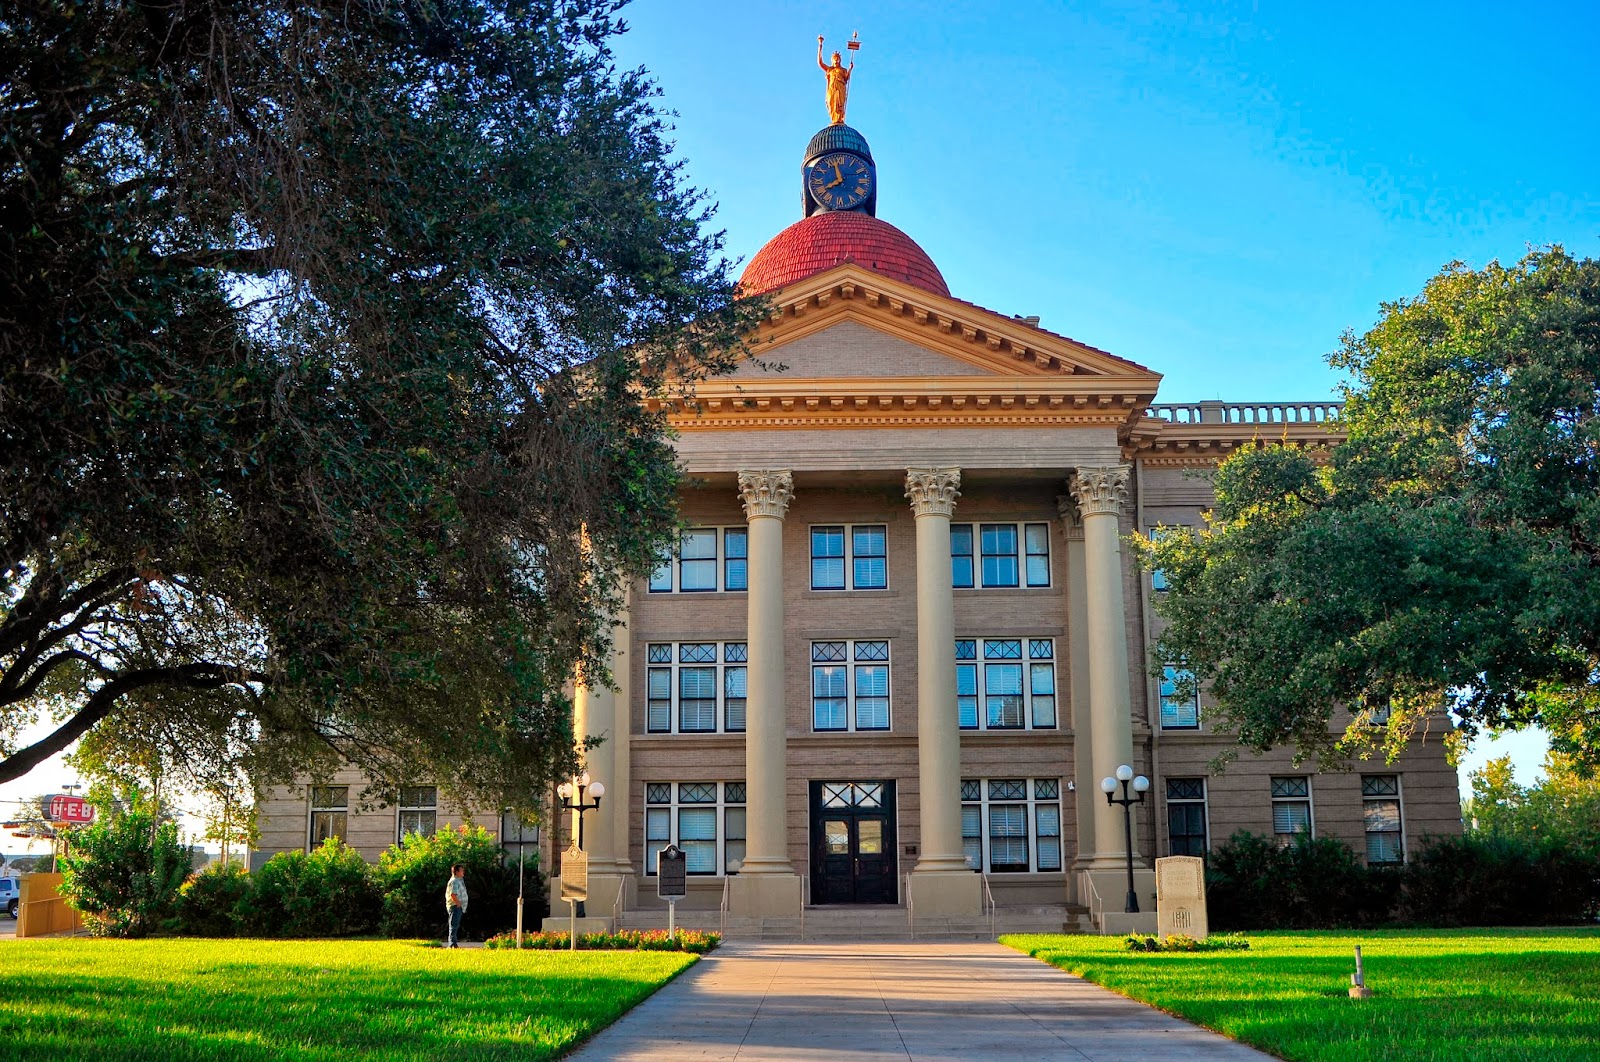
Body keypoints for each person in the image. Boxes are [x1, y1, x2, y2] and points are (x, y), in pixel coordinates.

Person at [817, 37, 853, 125]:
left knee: (839, 104)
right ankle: (834, 119)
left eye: (837, 59)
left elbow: (847, 78)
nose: (836, 60)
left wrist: (850, 69)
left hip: (840, 89)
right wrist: (820, 45)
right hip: (831, 89)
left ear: (840, 60)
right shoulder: (830, 69)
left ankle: (839, 118)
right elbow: (820, 62)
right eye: (834, 59)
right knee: (831, 103)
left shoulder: (843, 70)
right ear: (832, 60)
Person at [445, 863, 468, 947]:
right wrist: (458, 903)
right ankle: (451, 944)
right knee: (454, 925)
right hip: (455, 906)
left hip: (458, 907)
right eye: (461, 870)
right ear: (456, 871)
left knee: (456, 925)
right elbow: (453, 894)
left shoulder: (459, 880)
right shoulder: (454, 881)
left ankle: (453, 943)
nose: (463, 872)